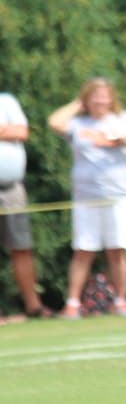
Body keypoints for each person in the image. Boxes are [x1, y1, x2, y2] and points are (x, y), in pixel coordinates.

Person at [47, 78, 126, 318]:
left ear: (112, 98)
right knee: (83, 249)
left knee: (117, 249)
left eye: (105, 96)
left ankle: (121, 300)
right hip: (86, 198)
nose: (101, 100)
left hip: (119, 195)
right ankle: (72, 304)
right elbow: (54, 122)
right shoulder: (78, 123)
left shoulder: (125, 120)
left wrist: (124, 140)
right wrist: (78, 103)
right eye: (95, 96)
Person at [0, 92, 50, 320]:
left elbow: (21, 131)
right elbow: (12, 131)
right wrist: (4, 131)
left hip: (12, 187)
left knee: (21, 246)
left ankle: (33, 305)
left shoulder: (6, 101)